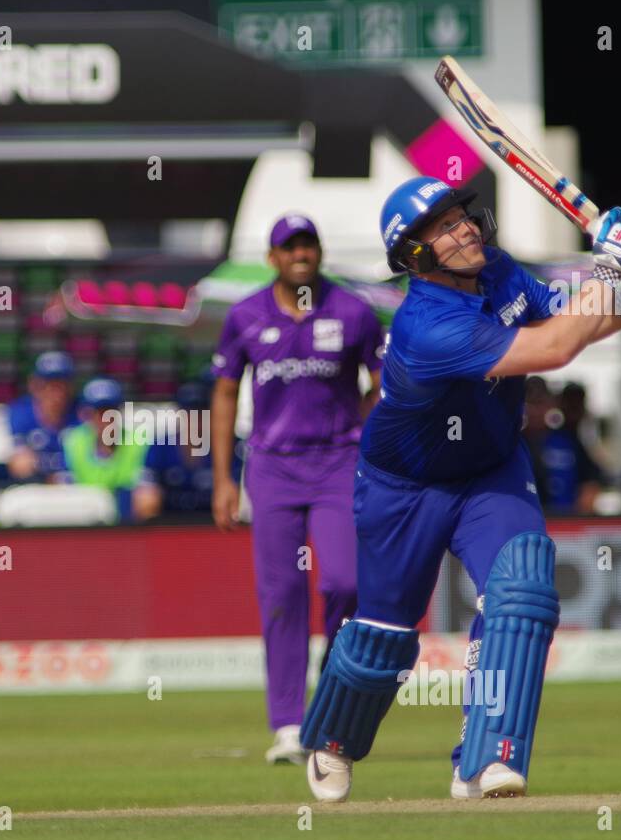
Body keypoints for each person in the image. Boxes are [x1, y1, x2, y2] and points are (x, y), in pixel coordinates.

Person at [300, 176, 621, 803]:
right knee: (386, 637)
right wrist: (611, 267)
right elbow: (553, 349)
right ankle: (334, 740)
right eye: (445, 227)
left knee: (524, 591)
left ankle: (487, 758)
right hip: (404, 487)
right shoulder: (426, 327)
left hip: (490, 469)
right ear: (416, 255)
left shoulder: (499, 271)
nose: (467, 228)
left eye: (463, 216)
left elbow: (569, 323)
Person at [210, 214, 384, 767]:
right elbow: (223, 393)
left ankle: (331, 703)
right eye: (289, 246)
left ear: (320, 251)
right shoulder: (245, 314)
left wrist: (362, 437)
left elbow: (383, 382)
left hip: (337, 464)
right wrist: (222, 480)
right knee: (282, 595)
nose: (300, 253)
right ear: (273, 258)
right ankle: (288, 723)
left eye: (308, 244)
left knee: (345, 583)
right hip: (272, 467)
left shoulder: (353, 311)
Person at [61, 376, 161, 522]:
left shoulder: (139, 442)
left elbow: (147, 494)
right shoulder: (74, 441)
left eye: (111, 412)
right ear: (87, 415)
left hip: (127, 523)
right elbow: (64, 490)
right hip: (83, 524)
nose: (106, 419)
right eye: (99, 412)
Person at [144, 378, 230, 514]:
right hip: (169, 528)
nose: (195, 419)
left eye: (201, 412)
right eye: (189, 412)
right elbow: (145, 502)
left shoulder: (226, 448)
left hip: (214, 528)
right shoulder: (161, 448)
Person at [522, 376, 603, 514]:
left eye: (540, 403)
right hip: (526, 523)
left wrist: (580, 514)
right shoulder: (513, 444)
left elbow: (590, 480)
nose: (536, 411)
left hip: (564, 522)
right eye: (531, 404)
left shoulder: (567, 441)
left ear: (550, 404)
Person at [7, 350, 77, 482]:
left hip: (76, 485)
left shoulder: (82, 412)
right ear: (34, 384)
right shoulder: (20, 411)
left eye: (61, 384)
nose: (55, 392)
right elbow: (19, 463)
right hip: (37, 485)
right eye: (48, 384)